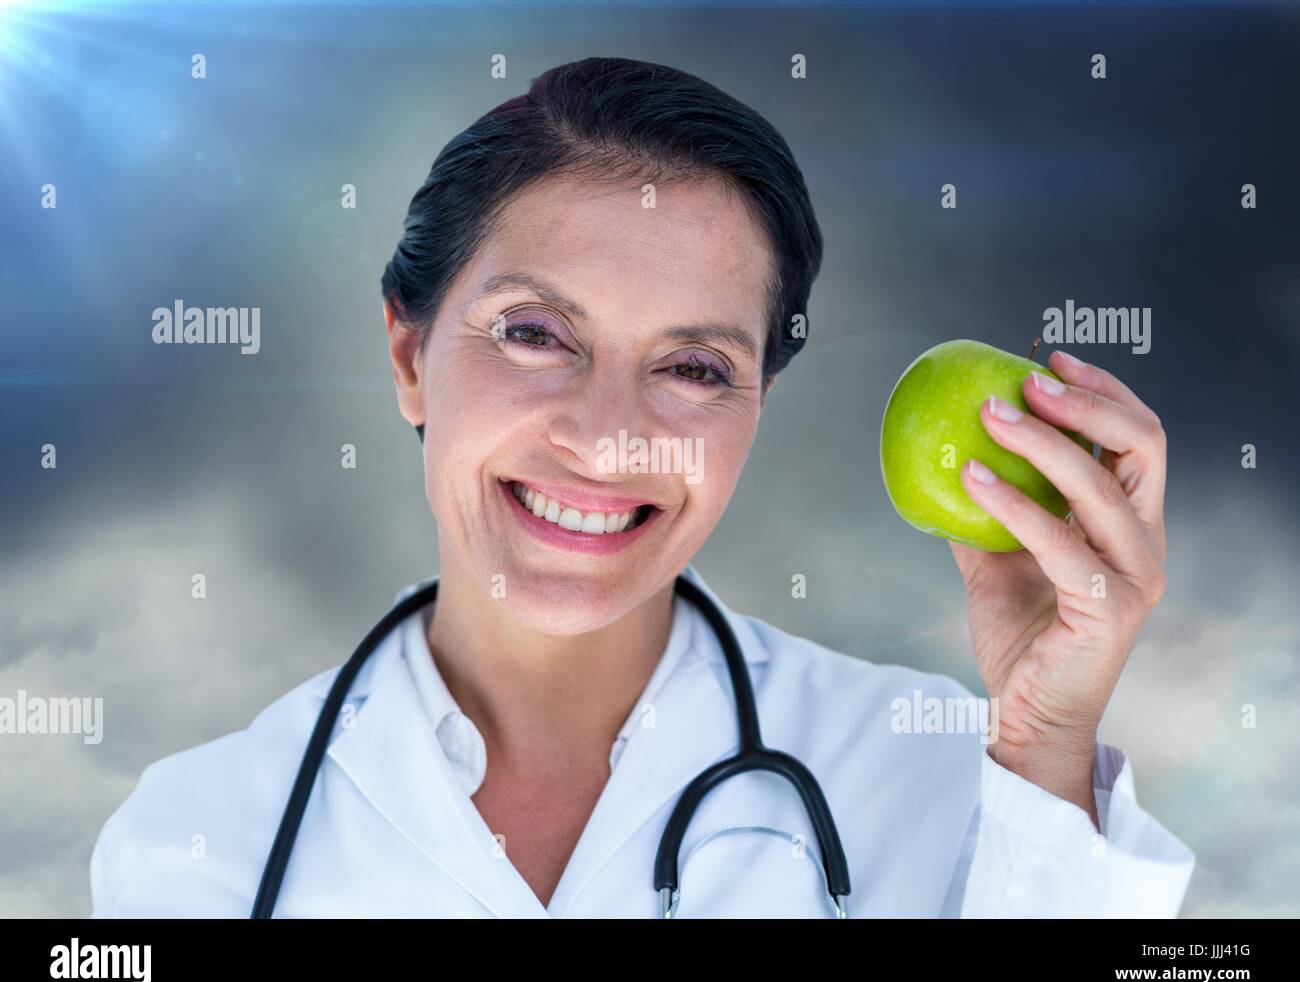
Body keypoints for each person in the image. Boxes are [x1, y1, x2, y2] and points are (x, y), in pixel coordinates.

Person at [90, 57, 1192, 918]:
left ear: (758, 403)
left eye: (693, 368)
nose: (608, 440)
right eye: (533, 334)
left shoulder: (958, 778)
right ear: (409, 355)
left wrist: (1047, 740)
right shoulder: (197, 839)